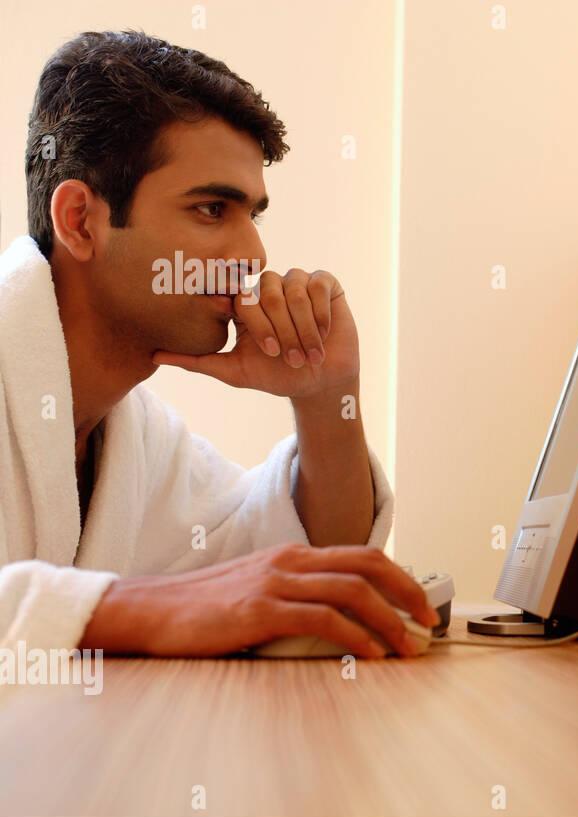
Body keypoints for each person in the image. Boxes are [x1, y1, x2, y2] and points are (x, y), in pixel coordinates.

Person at [0, 30, 434, 659]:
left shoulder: (135, 440)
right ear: (80, 220)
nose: (253, 255)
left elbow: (303, 576)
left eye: (251, 215)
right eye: (210, 209)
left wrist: (325, 397)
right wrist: (140, 609)